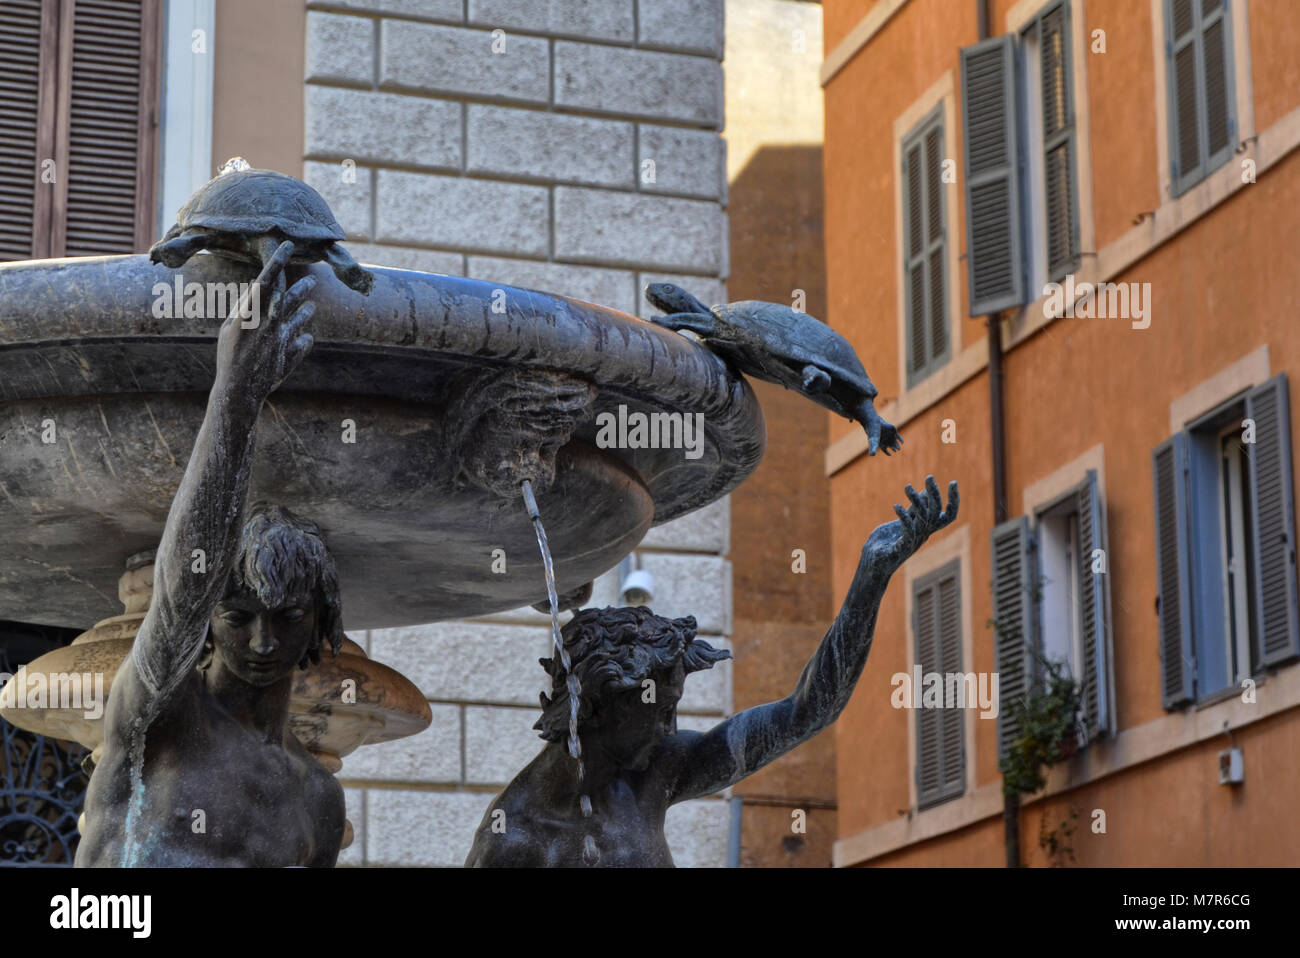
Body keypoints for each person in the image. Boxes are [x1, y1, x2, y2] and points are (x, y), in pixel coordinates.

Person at [466, 476, 959, 866]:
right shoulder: (517, 839)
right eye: (658, 712)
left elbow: (807, 712)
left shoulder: (654, 772)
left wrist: (871, 578)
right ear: (594, 707)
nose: (670, 729)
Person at [76, 245, 345, 867]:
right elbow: (177, 592)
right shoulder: (162, 714)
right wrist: (235, 397)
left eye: (287, 617)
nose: (261, 642)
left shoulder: (317, 796)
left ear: (319, 623)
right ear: (208, 620)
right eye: (237, 616)